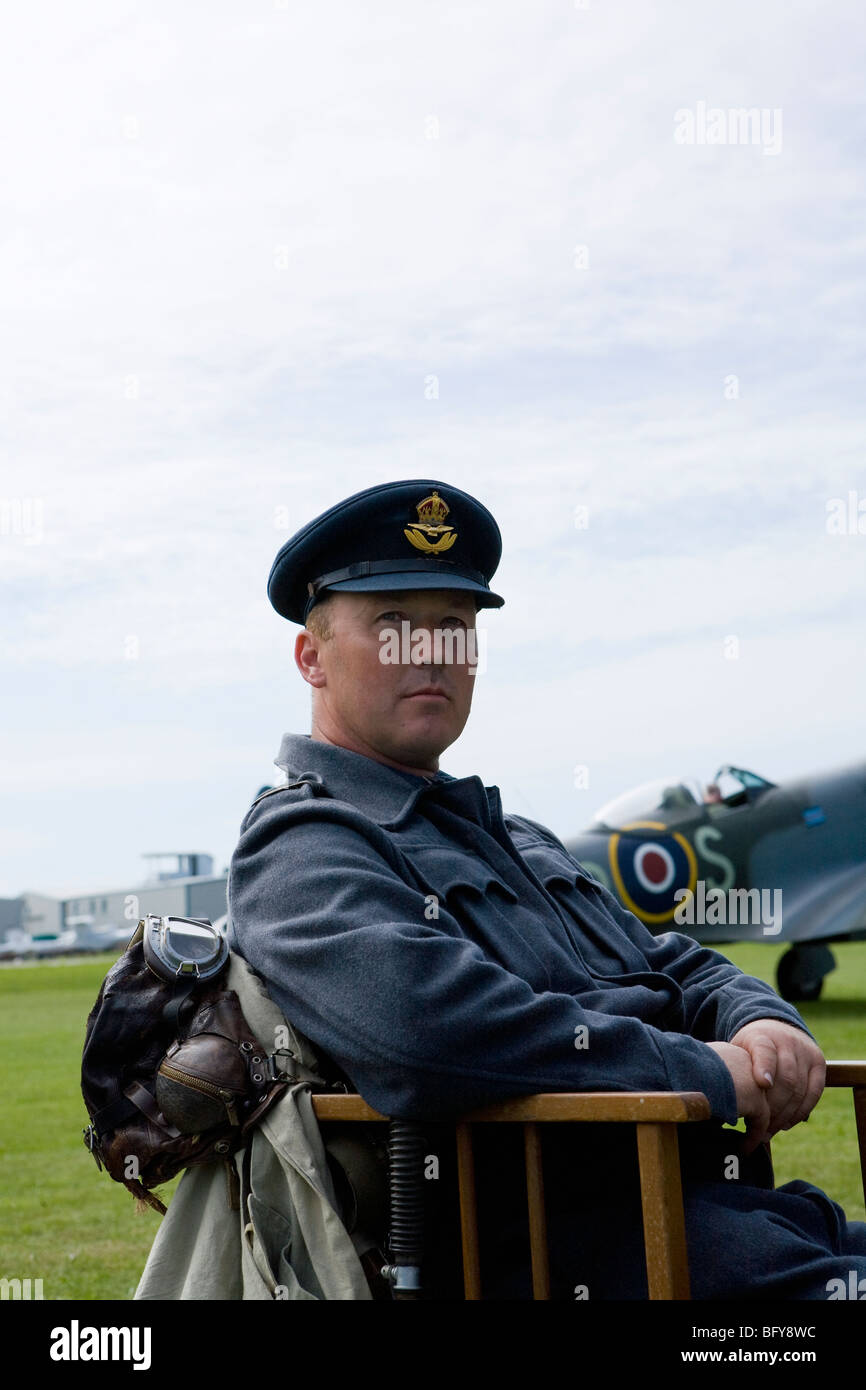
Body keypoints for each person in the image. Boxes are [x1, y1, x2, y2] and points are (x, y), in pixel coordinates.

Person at [227, 478, 866, 1300]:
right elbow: (426, 1030)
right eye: (392, 627)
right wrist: (701, 1071)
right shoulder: (304, 844)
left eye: (454, 629)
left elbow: (672, 959)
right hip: (573, 1252)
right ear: (311, 657)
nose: (431, 655)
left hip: (719, 1214)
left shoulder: (517, 838)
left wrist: (758, 1016)